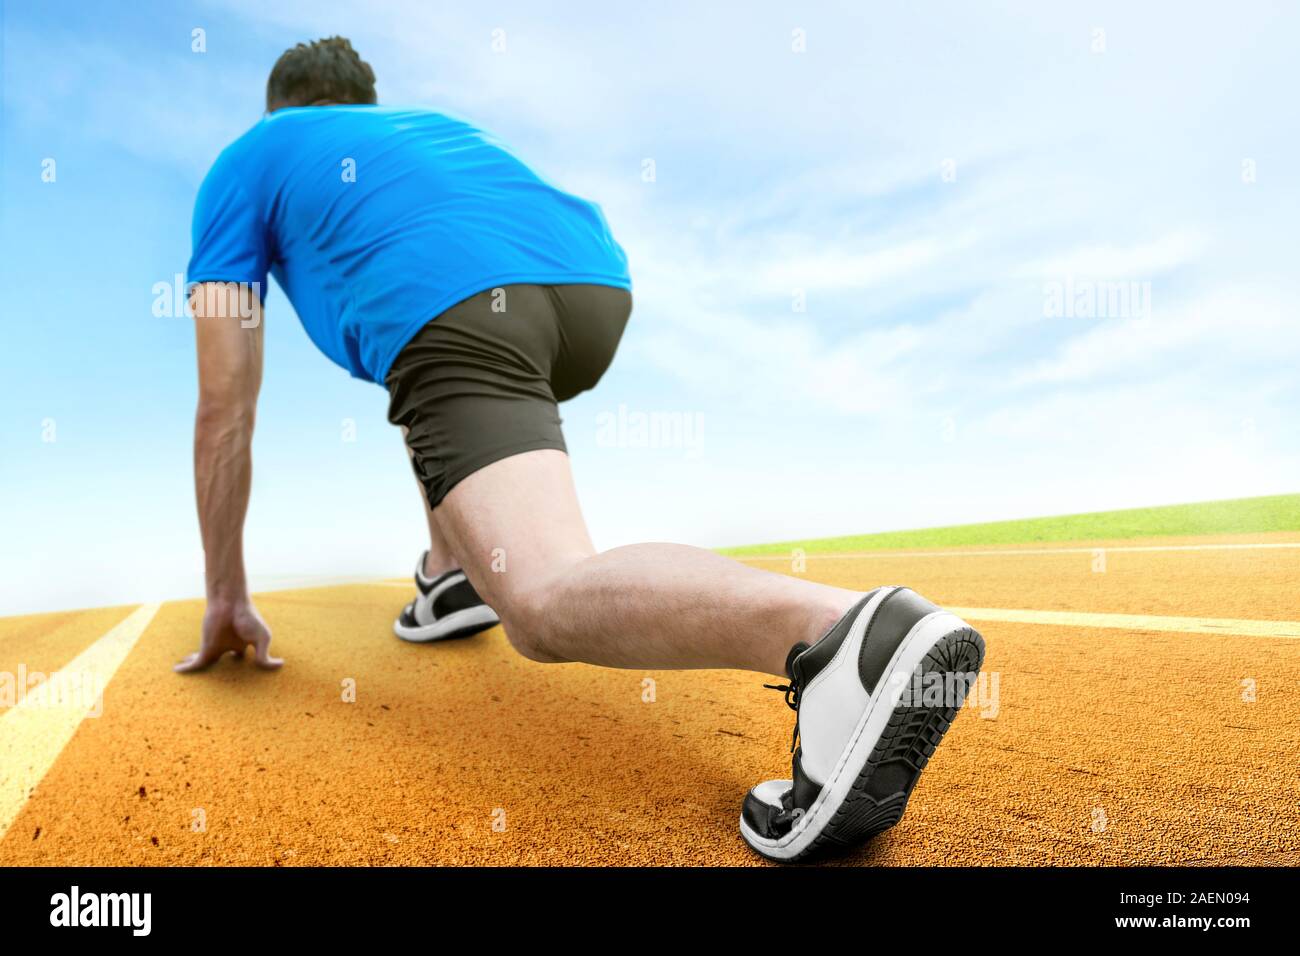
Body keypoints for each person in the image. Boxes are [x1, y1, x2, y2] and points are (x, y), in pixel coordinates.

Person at [177, 36, 986, 862]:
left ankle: (842, 636)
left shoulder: (249, 159)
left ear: (278, 106)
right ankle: (449, 576)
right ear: (359, 101)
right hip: (589, 290)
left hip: (459, 303)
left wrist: (225, 595)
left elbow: (225, 407)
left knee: (540, 598)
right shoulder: (421, 132)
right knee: (435, 397)